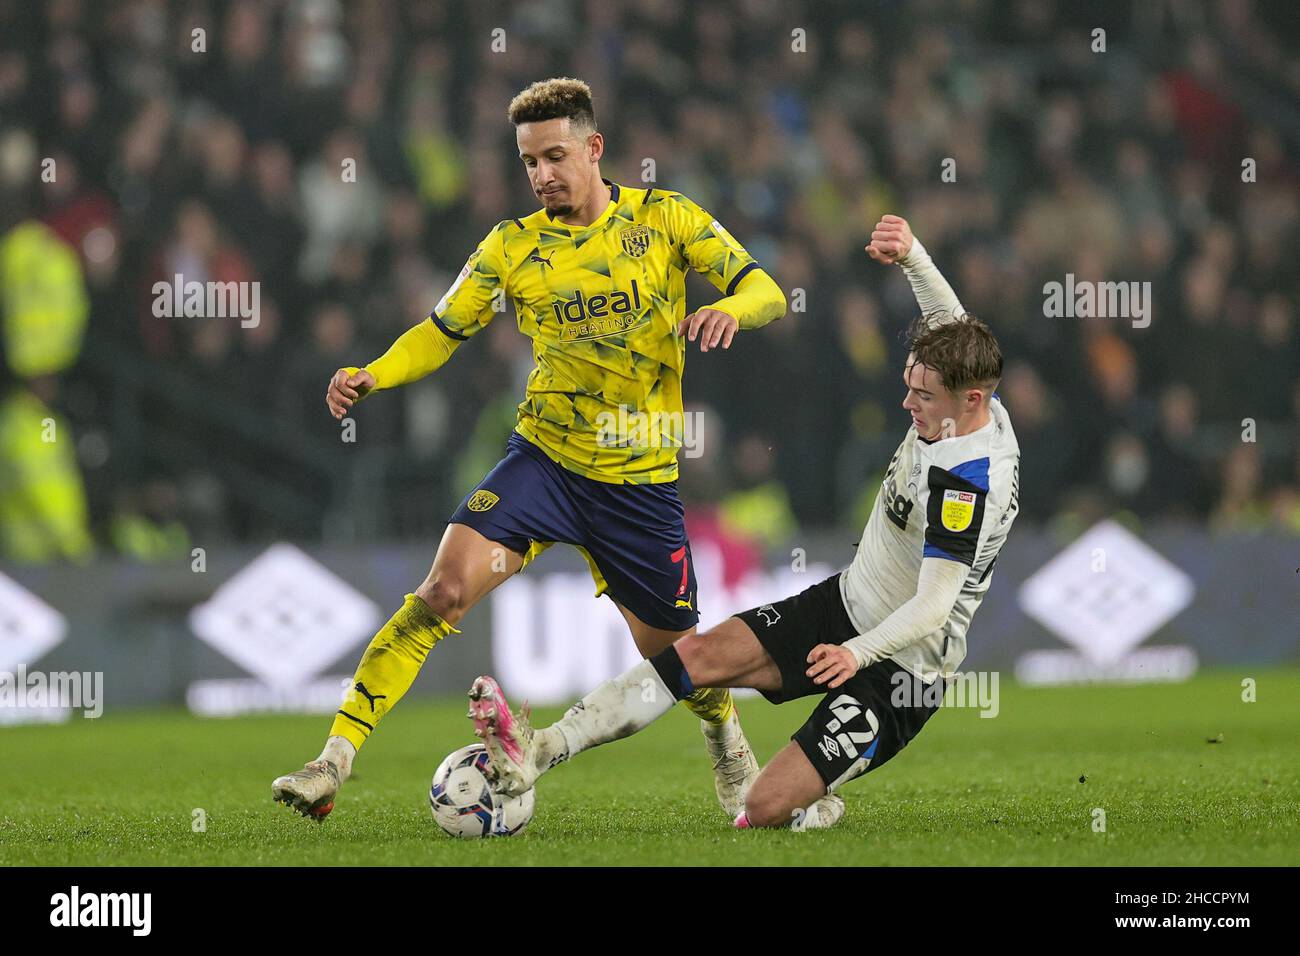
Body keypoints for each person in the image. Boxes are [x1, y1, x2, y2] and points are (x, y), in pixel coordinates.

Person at [272, 77, 786, 820]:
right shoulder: (511, 246)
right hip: (543, 461)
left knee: (679, 659)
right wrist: (372, 372)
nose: (542, 174)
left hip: (639, 477)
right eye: (528, 162)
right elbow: (440, 332)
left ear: (594, 149)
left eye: (554, 156)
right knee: (440, 593)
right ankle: (333, 761)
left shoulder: (665, 218)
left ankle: (727, 739)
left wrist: (729, 309)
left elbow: (765, 288)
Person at [468, 215, 1021, 830]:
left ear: (971, 401)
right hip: (844, 603)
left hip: (901, 666)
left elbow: (934, 605)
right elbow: (952, 319)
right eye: (908, 386)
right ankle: (541, 749)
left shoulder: (965, 485)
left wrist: (857, 656)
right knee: (695, 657)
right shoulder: (968, 382)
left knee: (759, 808)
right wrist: (914, 252)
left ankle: (815, 802)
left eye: (922, 396)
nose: (906, 404)